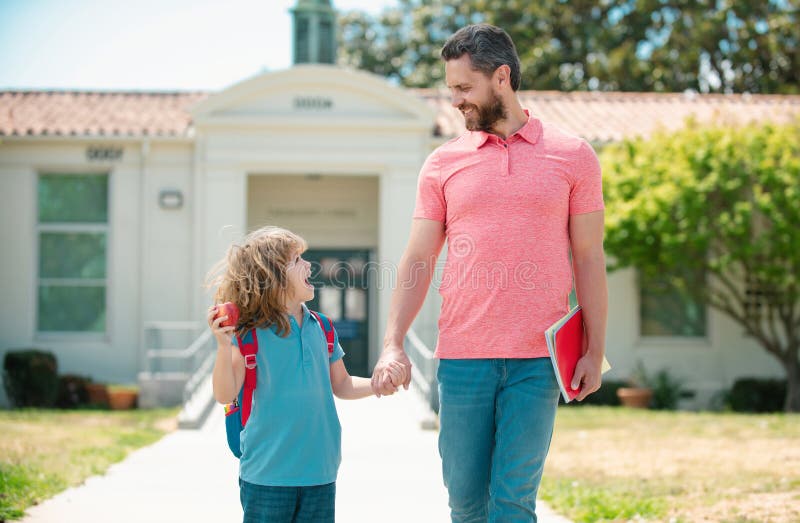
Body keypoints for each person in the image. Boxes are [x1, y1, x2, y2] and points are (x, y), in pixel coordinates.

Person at [371, 24, 608, 522]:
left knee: (513, 502)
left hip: (536, 361)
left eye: (463, 88)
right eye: (451, 89)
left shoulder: (573, 156)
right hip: (462, 360)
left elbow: (588, 257)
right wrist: (393, 341)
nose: (455, 101)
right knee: (466, 502)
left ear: (501, 77)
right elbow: (418, 258)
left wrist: (594, 349)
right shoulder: (442, 164)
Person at [207, 225, 400, 523]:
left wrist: (377, 384)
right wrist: (223, 345)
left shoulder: (322, 327)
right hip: (267, 476)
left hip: (320, 473)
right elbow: (224, 393)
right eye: (297, 260)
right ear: (272, 276)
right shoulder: (248, 335)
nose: (309, 265)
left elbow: (343, 384)